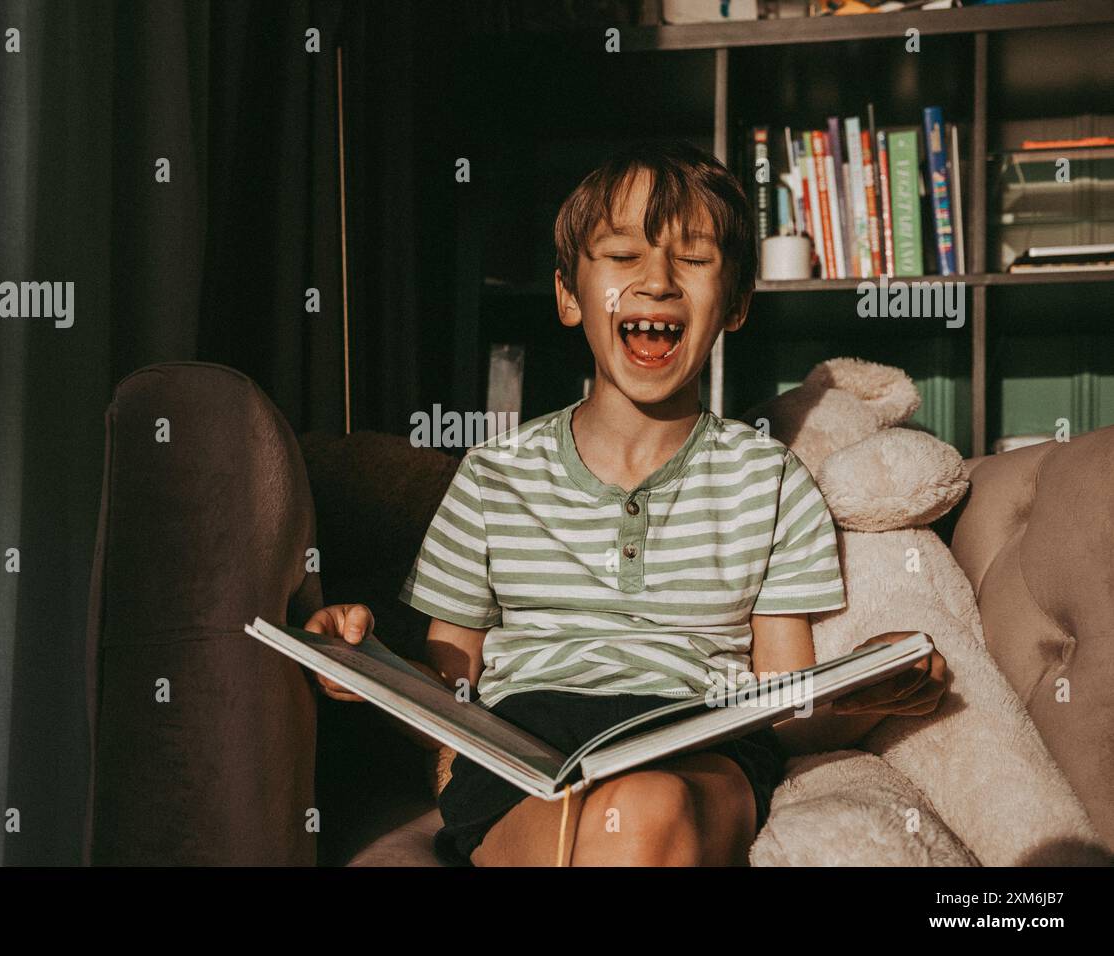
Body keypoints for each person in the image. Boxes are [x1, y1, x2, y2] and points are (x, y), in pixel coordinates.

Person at [305, 141, 947, 867]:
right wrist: (366, 664)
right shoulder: (493, 477)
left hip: (702, 747)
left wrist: (862, 688)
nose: (658, 282)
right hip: (525, 753)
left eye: (694, 259)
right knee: (613, 820)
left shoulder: (770, 480)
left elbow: (783, 704)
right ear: (569, 296)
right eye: (622, 255)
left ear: (734, 304)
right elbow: (450, 693)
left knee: (645, 808)